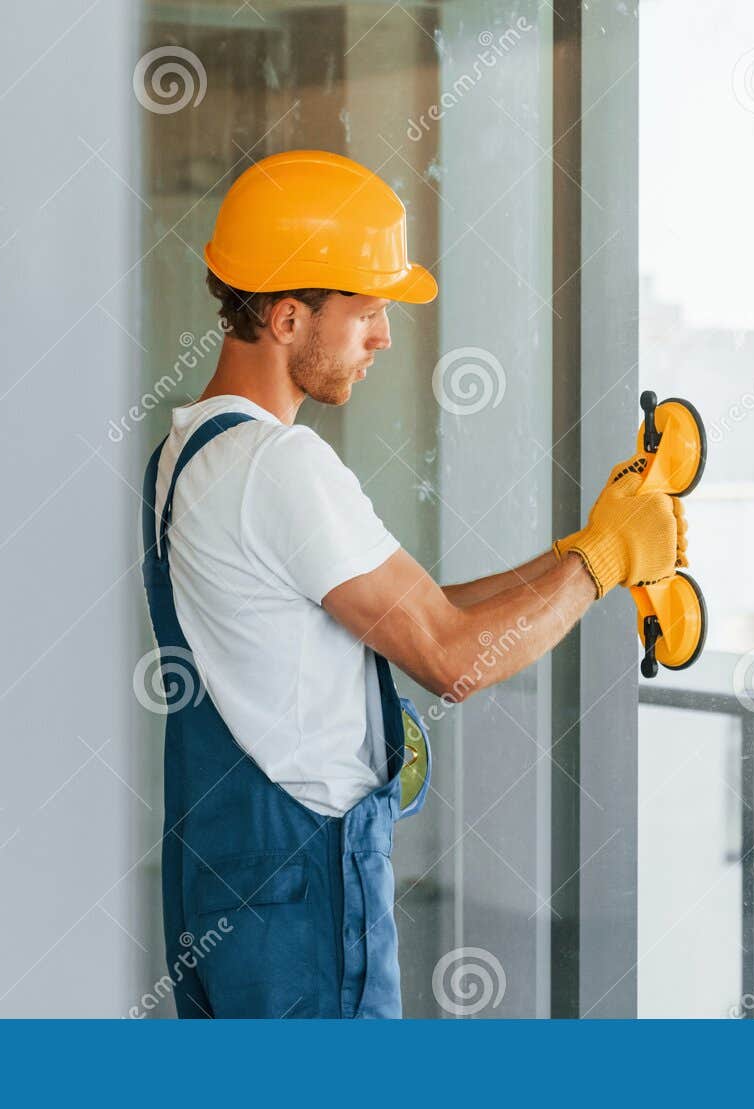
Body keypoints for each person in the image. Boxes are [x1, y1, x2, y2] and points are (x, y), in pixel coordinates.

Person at [140, 149, 684, 1018]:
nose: (385, 337)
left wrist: (580, 547)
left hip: (227, 887)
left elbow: (417, 613)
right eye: (365, 311)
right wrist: (604, 566)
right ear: (286, 318)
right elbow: (451, 658)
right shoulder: (281, 466)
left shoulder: (188, 456)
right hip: (307, 900)